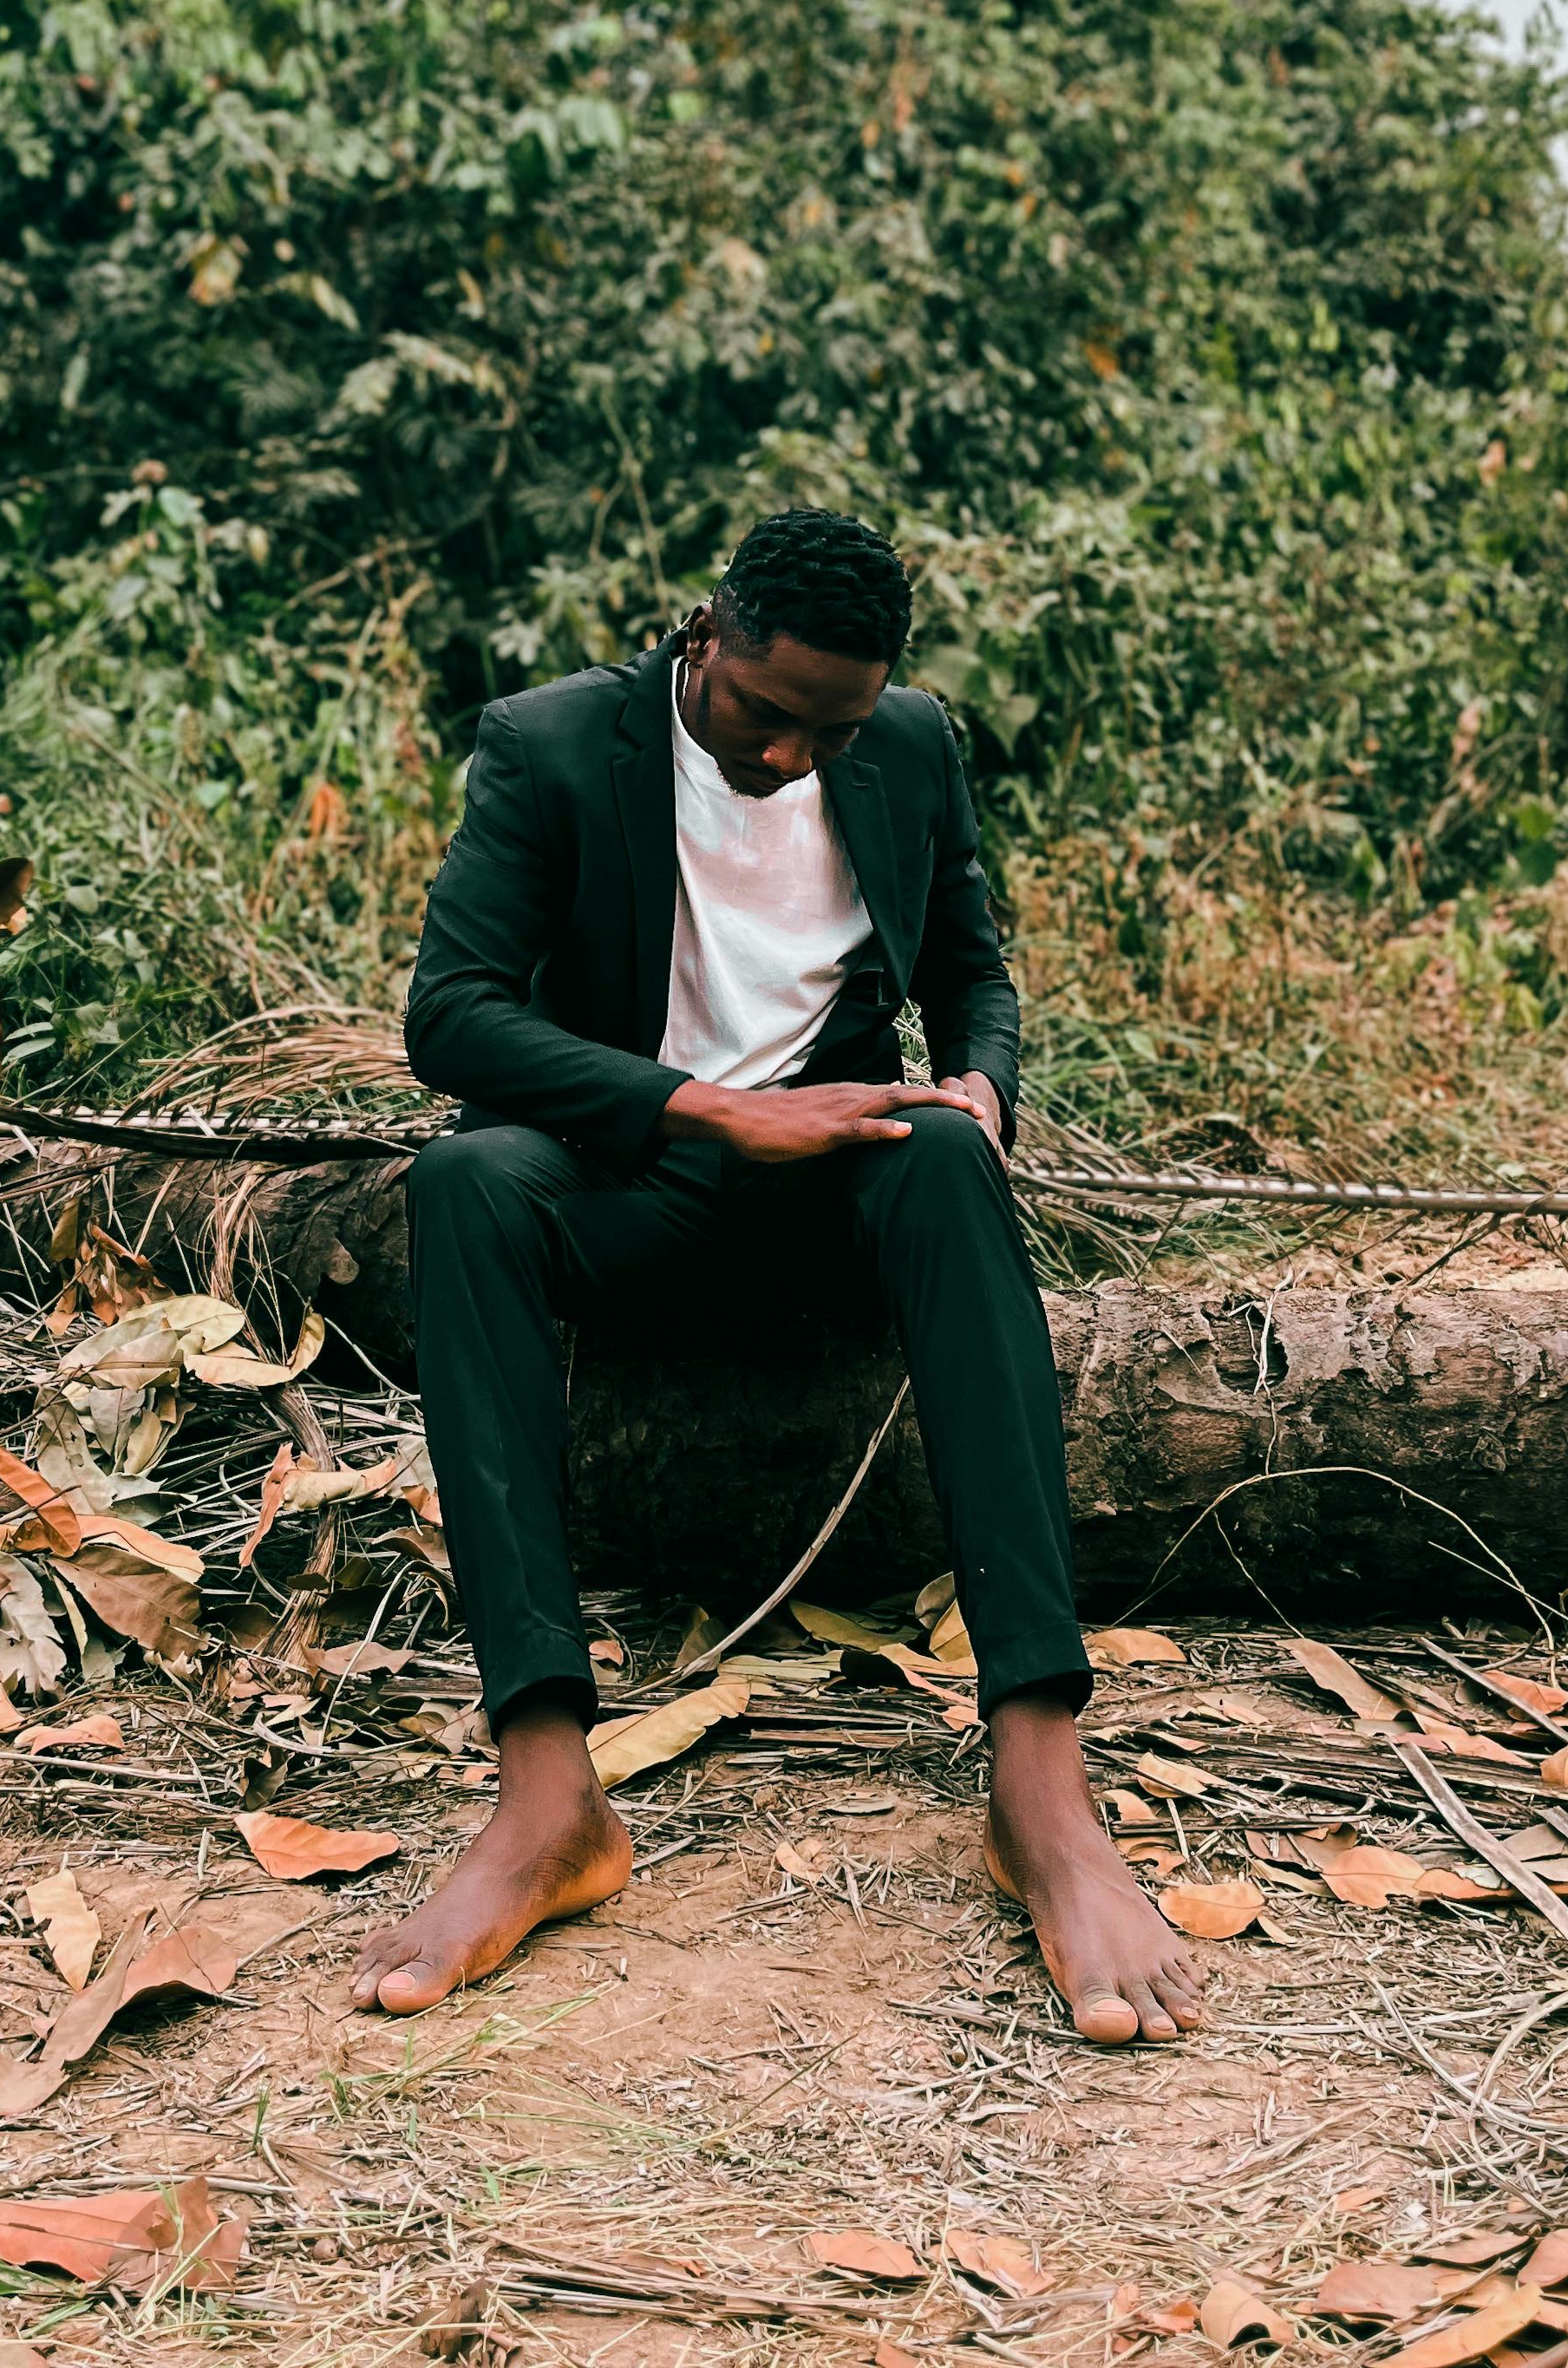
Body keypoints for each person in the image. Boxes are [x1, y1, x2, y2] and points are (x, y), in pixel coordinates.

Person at [350, 509, 1203, 2046]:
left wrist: (983, 1087)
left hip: (838, 1181)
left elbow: (972, 972)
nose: (798, 758)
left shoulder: (911, 748)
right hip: (628, 1173)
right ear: (709, 634)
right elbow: (451, 1020)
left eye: (837, 728)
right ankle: (548, 1793)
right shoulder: (551, 749)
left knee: (945, 1158)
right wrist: (708, 1104)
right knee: (466, 1179)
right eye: (768, 715)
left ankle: (1040, 1783)